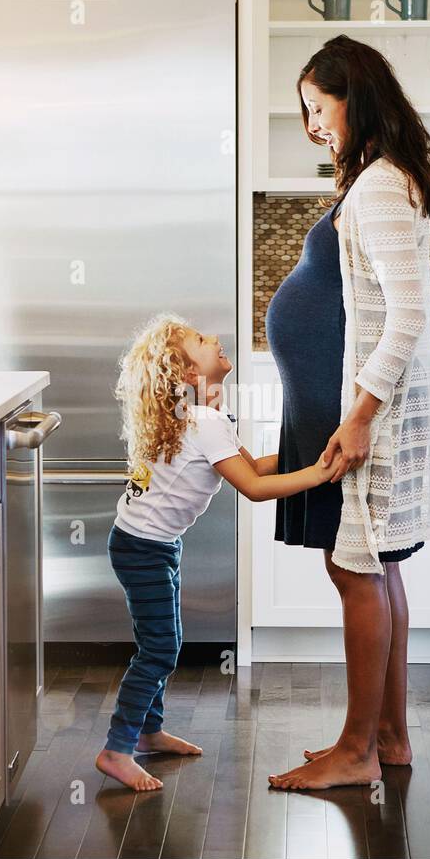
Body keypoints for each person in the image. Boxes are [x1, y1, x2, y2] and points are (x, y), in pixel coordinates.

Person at [265, 35, 430, 790]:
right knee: (373, 569)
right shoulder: (378, 178)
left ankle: (356, 748)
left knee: (355, 569)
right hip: (343, 403)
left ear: (355, 95)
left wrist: (363, 412)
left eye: (319, 106)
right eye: (304, 111)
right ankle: (389, 737)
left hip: (356, 411)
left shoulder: (376, 187)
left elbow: (410, 311)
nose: (311, 124)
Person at [96, 313, 338, 791]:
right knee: (160, 648)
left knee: (165, 639)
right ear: (187, 372)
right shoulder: (203, 422)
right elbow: (253, 487)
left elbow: (253, 465)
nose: (216, 340)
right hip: (144, 547)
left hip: (146, 543)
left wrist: (314, 456)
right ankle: (116, 749)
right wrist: (319, 474)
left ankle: (148, 732)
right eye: (203, 340)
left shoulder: (199, 420)